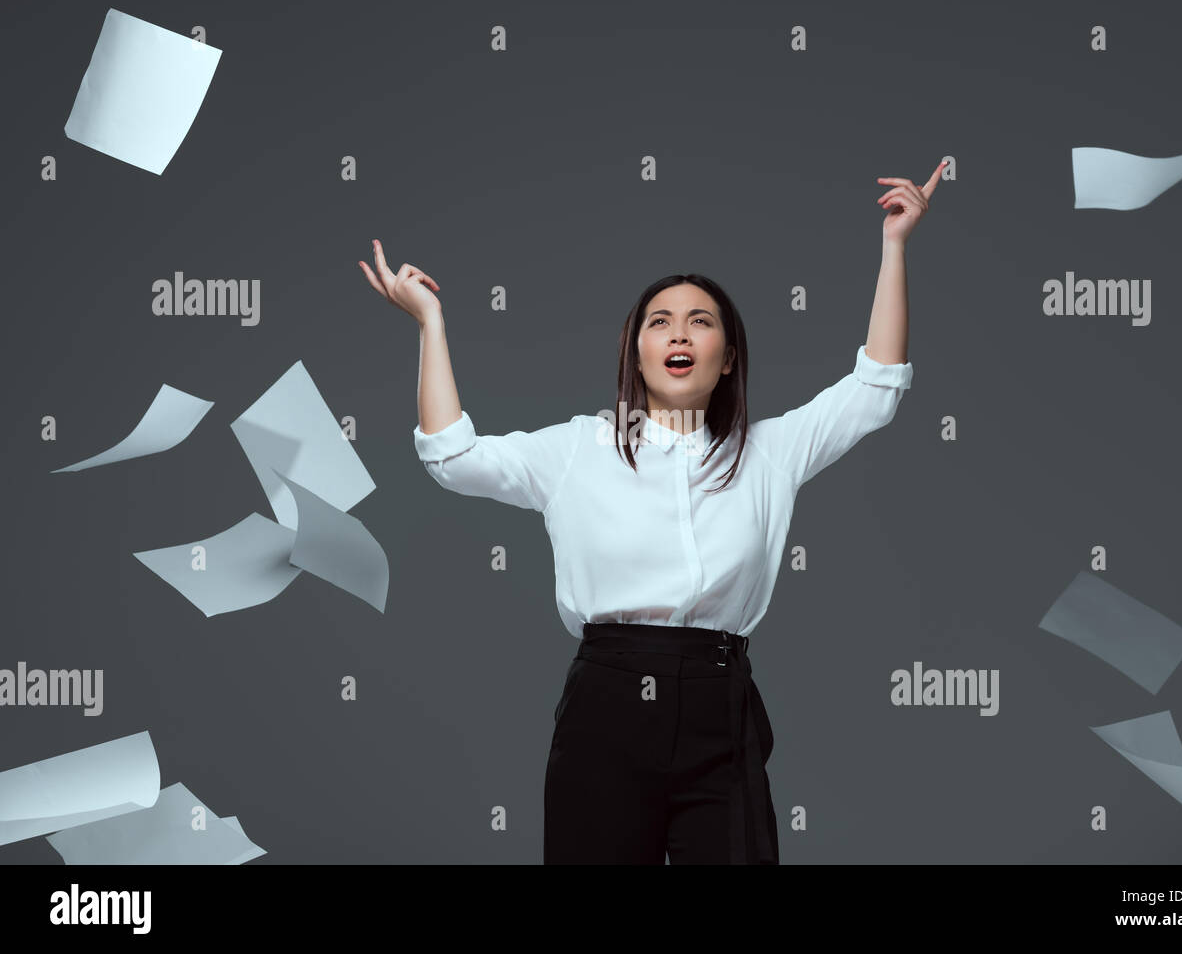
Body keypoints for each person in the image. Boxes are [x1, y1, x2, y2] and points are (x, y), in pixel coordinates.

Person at [359, 160, 945, 864]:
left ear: (726, 357)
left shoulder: (771, 452)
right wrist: (430, 322)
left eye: (701, 323)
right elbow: (452, 455)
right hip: (606, 700)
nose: (679, 334)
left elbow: (875, 389)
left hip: (720, 701)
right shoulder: (580, 447)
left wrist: (895, 246)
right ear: (636, 353)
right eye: (660, 322)